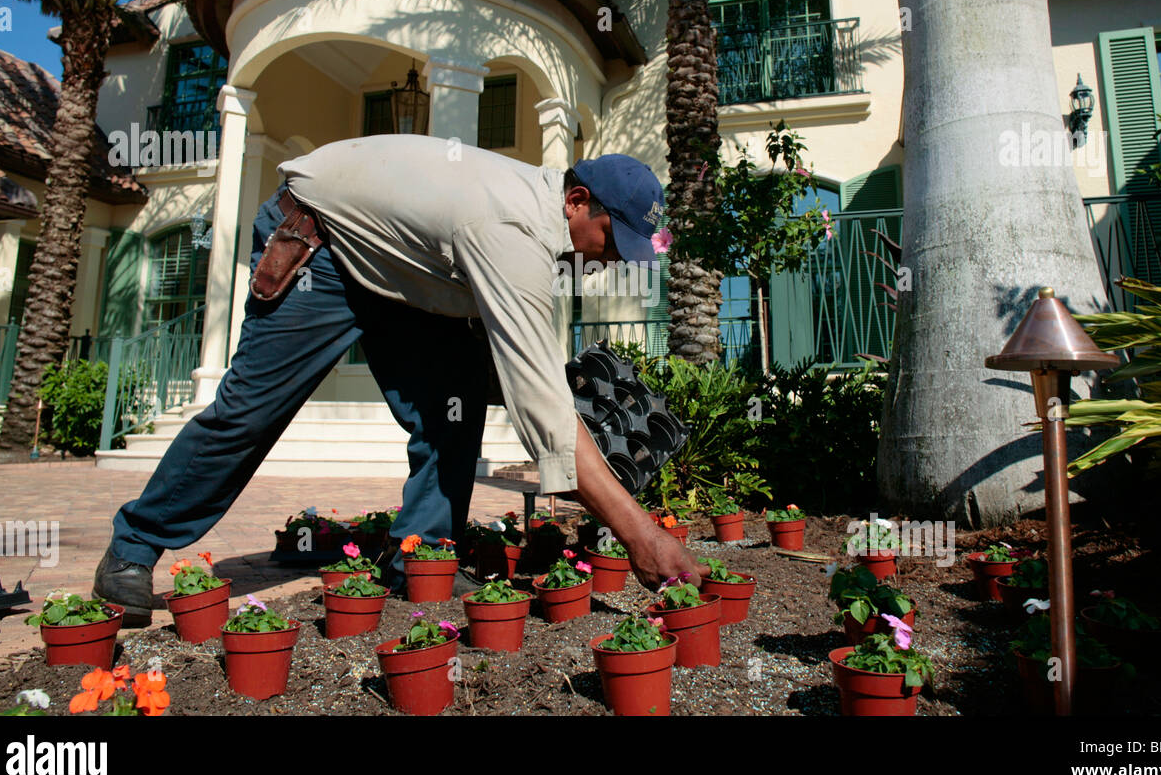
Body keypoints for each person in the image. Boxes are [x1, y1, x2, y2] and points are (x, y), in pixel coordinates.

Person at [93, 133, 706, 624]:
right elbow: (543, 408)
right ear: (577, 201)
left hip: (397, 273)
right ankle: (133, 546)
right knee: (249, 413)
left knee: (455, 399)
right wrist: (642, 537)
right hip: (321, 244)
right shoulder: (514, 229)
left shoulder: (537, 221)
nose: (608, 262)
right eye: (609, 243)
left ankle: (421, 558)